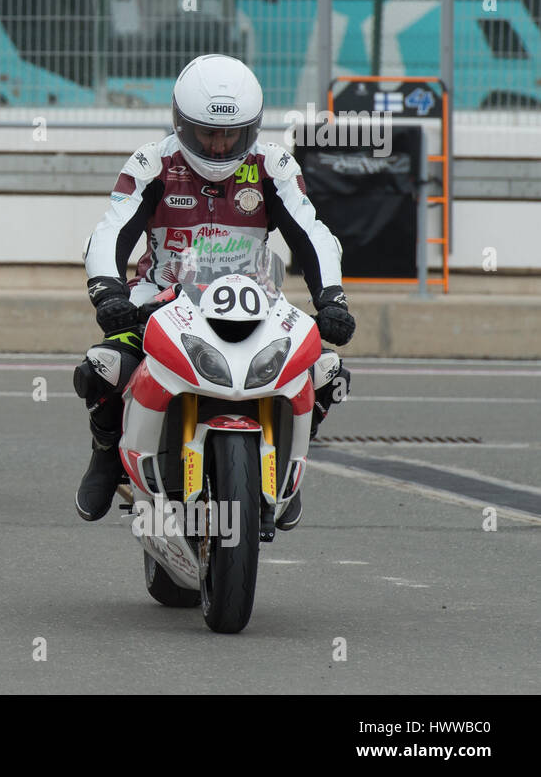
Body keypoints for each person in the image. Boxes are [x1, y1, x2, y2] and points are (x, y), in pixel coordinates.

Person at [75, 53, 356, 529]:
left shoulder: (274, 166)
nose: (220, 145)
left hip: (257, 302)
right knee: (102, 369)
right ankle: (106, 450)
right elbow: (111, 229)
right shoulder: (152, 162)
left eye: (232, 134)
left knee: (328, 372)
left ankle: (287, 468)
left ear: (254, 127)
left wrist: (332, 298)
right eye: (207, 132)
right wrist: (108, 291)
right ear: (180, 123)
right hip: (161, 300)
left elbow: (312, 233)